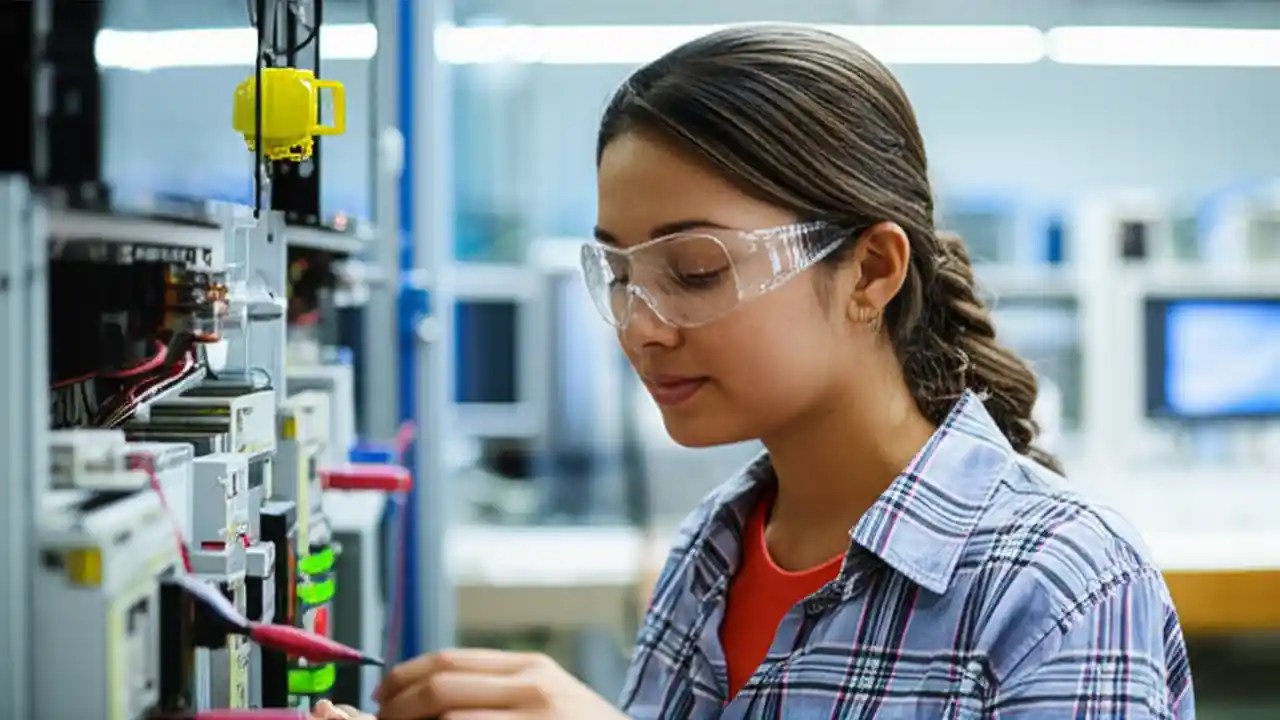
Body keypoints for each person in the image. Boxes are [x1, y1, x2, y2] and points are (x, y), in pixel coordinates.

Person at [313, 22, 1195, 720]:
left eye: (695, 272)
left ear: (872, 272)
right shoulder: (715, 548)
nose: (641, 329)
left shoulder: (1058, 585)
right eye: (620, 276)